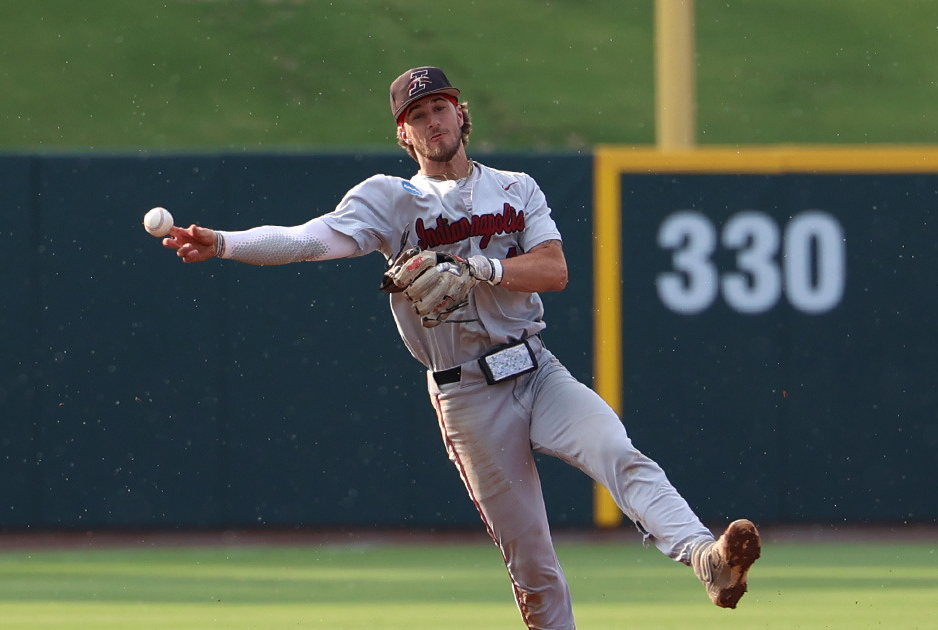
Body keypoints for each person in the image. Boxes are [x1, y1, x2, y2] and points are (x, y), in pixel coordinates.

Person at [162, 66, 760, 630]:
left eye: (439, 106)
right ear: (403, 132)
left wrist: (478, 268)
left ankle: (705, 559)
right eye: (417, 114)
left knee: (615, 448)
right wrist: (223, 242)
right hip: (466, 395)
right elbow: (307, 240)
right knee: (532, 559)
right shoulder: (389, 200)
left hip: (534, 366)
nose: (432, 121)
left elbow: (553, 270)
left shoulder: (515, 188)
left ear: (460, 113)